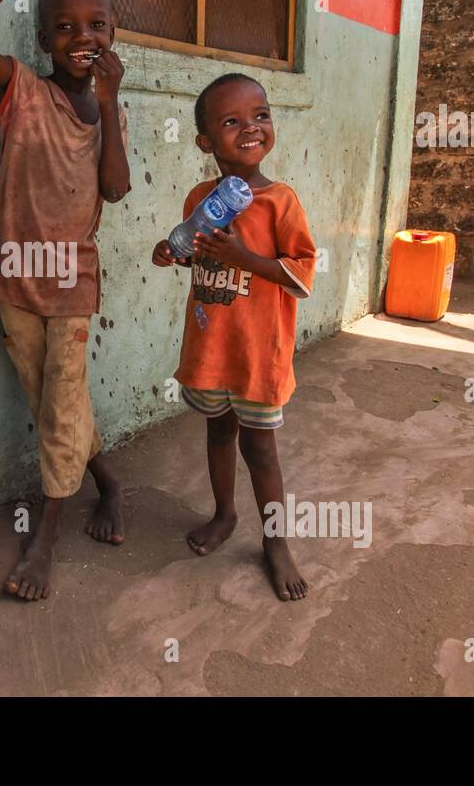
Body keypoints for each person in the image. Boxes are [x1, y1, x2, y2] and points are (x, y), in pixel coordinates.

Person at [0, 0, 132, 601]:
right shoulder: (22, 91)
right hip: (10, 274)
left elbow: (114, 186)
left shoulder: (106, 107)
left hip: (71, 284)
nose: (83, 38)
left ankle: (46, 537)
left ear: (114, 36)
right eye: (65, 27)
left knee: (61, 404)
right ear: (42, 39)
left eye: (98, 26)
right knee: (50, 399)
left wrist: (111, 107)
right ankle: (109, 482)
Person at [151, 73, 317, 601]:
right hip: (211, 349)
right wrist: (172, 253)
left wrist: (245, 258)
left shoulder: (279, 202)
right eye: (231, 121)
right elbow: (200, 260)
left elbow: (300, 274)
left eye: (260, 115)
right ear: (205, 142)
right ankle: (224, 514)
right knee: (218, 434)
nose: (251, 127)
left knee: (261, 449)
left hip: (257, 357)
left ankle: (276, 543)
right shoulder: (200, 197)